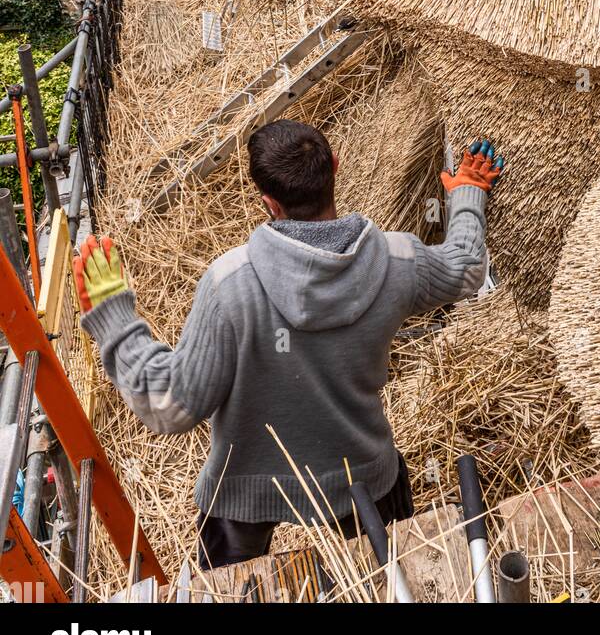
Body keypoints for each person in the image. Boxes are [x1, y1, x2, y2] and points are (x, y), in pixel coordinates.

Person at [74, 120, 504, 570]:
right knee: (391, 574)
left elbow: (169, 405)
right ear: (335, 168)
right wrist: (469, 193)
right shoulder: (399, 260)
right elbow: (467, 269)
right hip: (363, 475)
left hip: (245, 488)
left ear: (268, 202)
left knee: (230, 588)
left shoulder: (229, 286)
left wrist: (114, 316)